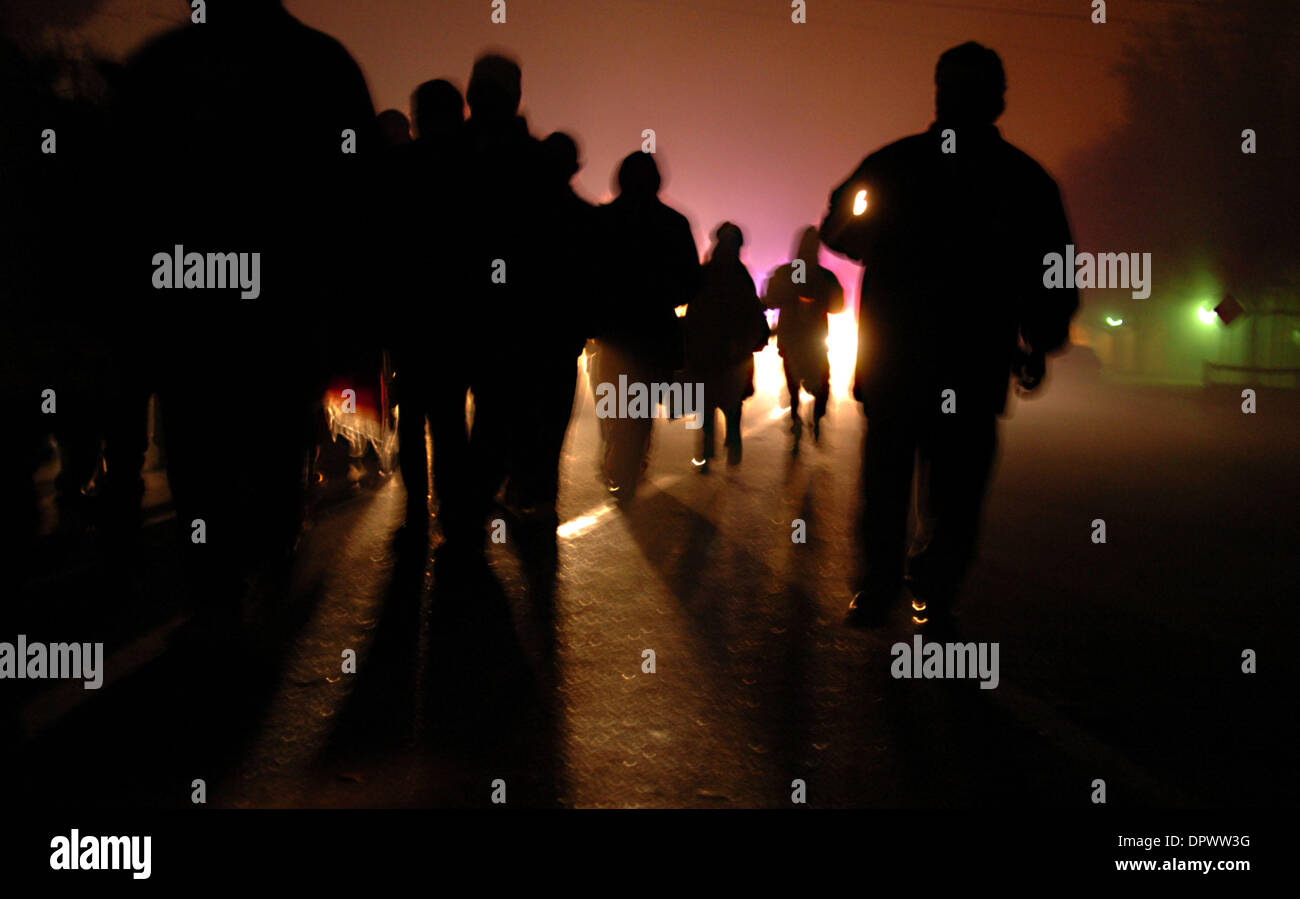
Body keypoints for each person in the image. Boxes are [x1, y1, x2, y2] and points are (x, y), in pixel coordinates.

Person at [113, 0, 377, 637]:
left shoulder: (161, 66)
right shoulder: (322, 65)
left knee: (201, 464)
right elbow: (359, 204)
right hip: (284, 321)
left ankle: (217, 597)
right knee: (270, 451)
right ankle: (261, 571)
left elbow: (115, 201)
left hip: (189, 320)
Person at [819, 41, 1078, 628]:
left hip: (899, 355)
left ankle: (882, 584)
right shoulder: (1022, 179)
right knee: (955, 487)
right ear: (999, 99)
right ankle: (930, 588)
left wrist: (878, 244)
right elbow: (1053, 267)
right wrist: (1040, 340)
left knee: (889, 477)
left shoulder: (895, 163)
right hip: (973, 356)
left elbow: (837, 228)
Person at [383, 80, 472, 552]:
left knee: (412, 418)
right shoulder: (475, 168)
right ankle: (456, 512)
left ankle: (418, 512)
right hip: (459, 317)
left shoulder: (397, 168)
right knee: (450, 420)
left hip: (410, 316)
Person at [592, 151, 700, 495]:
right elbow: (690, 284)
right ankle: (631, 461)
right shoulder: (674, 223)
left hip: (612, 330)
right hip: (653, 332)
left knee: (611, 398)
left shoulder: (603, 221)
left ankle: (618, 456)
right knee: (640, 407)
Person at [685, 222, 769, 467]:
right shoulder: (741, 276)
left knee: (706, 402)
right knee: (732, 401)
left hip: (708, 348)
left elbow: (694, 310)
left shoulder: (706, 273)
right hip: (733, 349)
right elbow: (752, 311)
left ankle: (707, 448)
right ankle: (731, 439)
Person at [762, 226, 844, 451]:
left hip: (794, 339)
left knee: (795, 383)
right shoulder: (821, 275)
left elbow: (770, 300)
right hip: (810, 340)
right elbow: (838, 304)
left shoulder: (791, 272)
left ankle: (799, 417)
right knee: (819, 385)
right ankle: (812, 419)